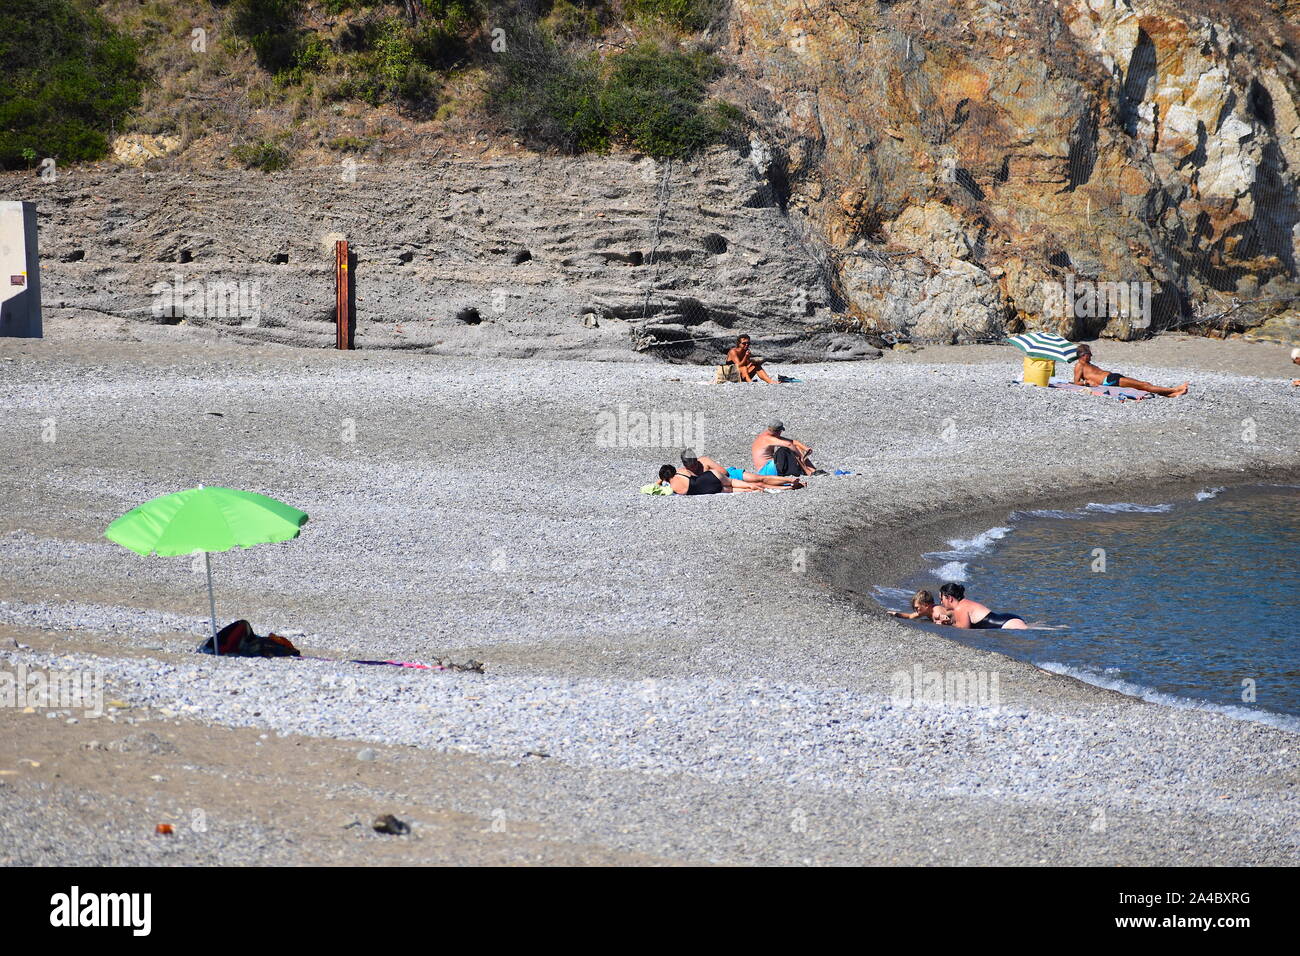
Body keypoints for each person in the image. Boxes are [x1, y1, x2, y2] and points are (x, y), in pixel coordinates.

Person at [1072, 344, 1188, 397]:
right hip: (1108, 381)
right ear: (1083, 355)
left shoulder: (1088, 364)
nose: (1091, 356)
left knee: (1143, 385)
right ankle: (1175, 389)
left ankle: (1172, 394)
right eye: (1089, 354)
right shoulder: (1079, 366)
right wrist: (1086, 383)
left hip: (1112, 377)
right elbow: (1076, 382)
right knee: (1144, 385)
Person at [678, 448, 804, 489]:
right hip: (723, 484)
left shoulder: (704, 461)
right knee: (759, 485)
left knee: (759, 478)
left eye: (695, 463)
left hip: (731, 475)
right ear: (685, 465)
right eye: (692, 465)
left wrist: (707, 474)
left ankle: (791, 480)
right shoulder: (684, 472)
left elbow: (723, 471)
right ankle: (788, 486)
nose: (695, 466)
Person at [751, 420, 824, 477]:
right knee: (787, 449)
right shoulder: (767, 438)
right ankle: (808, 472)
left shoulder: (768, 435)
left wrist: (805, 448)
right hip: (765, 471)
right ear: (778, 431)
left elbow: (792, 441)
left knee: (794, 447)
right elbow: (789, 444)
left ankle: (813, 470)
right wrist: (801, 456)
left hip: (768, 468)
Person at [938, 582, 1027, 629]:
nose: (941, 602)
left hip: (1007, 624)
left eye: (941, 599)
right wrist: (950, 623)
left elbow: (964, 629)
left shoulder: (960, 607)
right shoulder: (963, 603)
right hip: (1007, 620)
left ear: (949, 598)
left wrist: (949, 625)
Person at [654, 463, 768, 495]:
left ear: (664, 478)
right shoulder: (681, 472)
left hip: (707, 490)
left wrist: (661, 480)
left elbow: (654, 487)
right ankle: (754, 485)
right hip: (709, 477)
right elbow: (694, 475)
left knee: (731, 490)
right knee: (732, 482)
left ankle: (753, 490)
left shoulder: (672, 488)